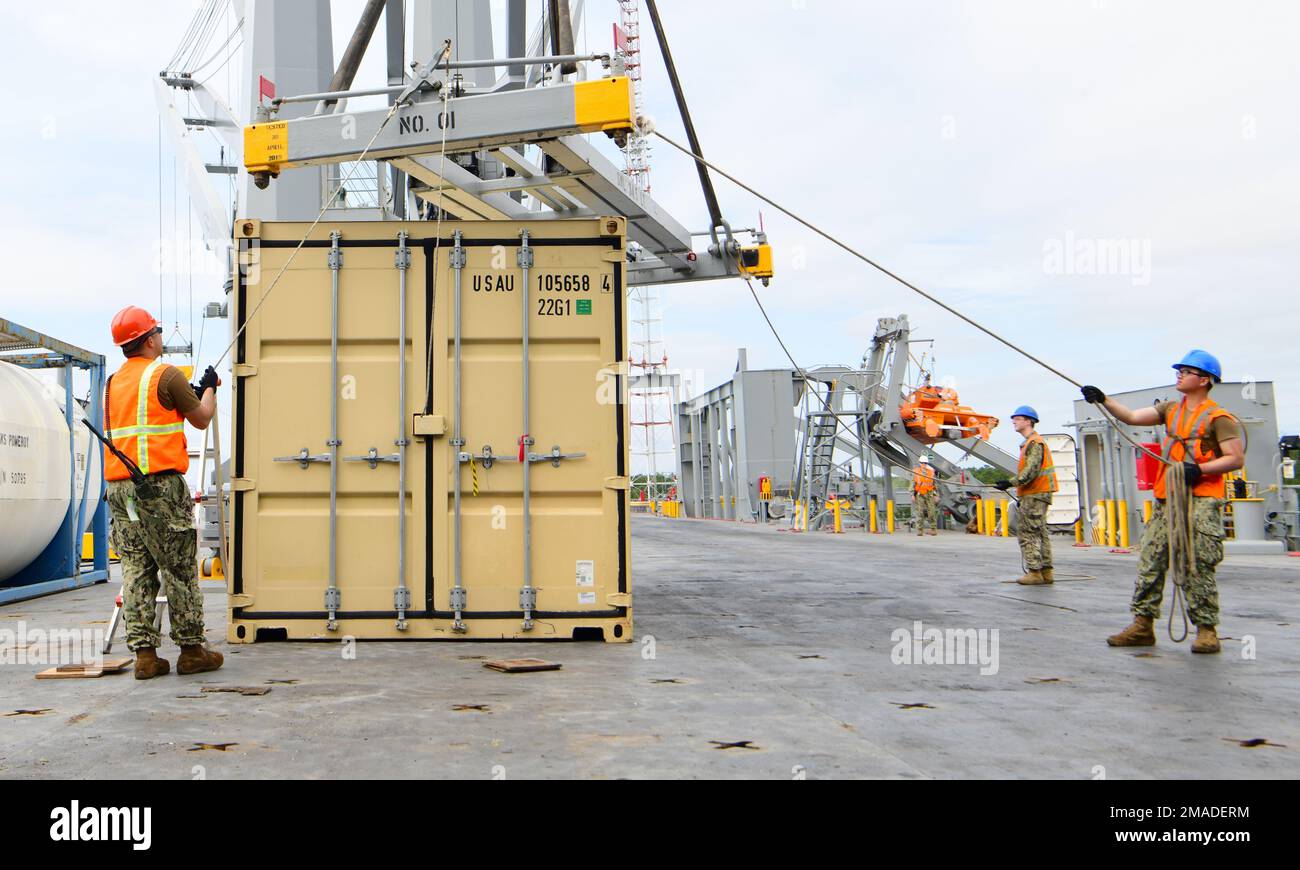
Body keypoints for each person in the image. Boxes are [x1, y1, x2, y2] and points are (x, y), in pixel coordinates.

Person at [1081, 350, 1243, 654]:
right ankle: (1142, 625)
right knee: (1151, 560)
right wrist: (1103, 399)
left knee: (1197, 564)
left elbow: (1235, 458)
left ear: (1205, 380)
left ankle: (1206, 630)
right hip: (1166, 499)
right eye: (1179, 370)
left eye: (1186, 371)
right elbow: (1130, 417)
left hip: (1202, 500)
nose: (1179, 374)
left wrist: (1199, 469)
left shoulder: (1219, 418)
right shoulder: (1170, 409)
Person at [103, 306, 224, 679]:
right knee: (179, 568)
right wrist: (208, 390)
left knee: (136, 570)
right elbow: (201, 418)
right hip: (159, 486)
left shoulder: (112, 383)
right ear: (152, 338)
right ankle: (191, 650)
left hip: (119, 489)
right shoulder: (166, 374)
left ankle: (145, 656)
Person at [994, 406, 1058, 585]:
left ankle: (1034, 572)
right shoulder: (1030, 443)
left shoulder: (1034, 443)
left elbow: (1031, 470)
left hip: (1035, 493)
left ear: (1028, 421)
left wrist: (1010, 482)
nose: (1014, 421)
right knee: (1040, 531)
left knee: (1027, 532)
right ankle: (1046, 571)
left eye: (1018, 418)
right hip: (1037, 492)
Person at [912, 454, 940, 536]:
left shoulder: (931, 472)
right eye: (922, 463)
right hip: (919, 494)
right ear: (920, 463)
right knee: (920, 512)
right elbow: (913, 484)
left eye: (925, 463)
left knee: (931, 512)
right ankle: (920, 530)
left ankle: (933, 529)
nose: (924, 464)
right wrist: (912, 495)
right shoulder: (916, 471)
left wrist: (936, 495)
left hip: (929, 493)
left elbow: (934, 485)